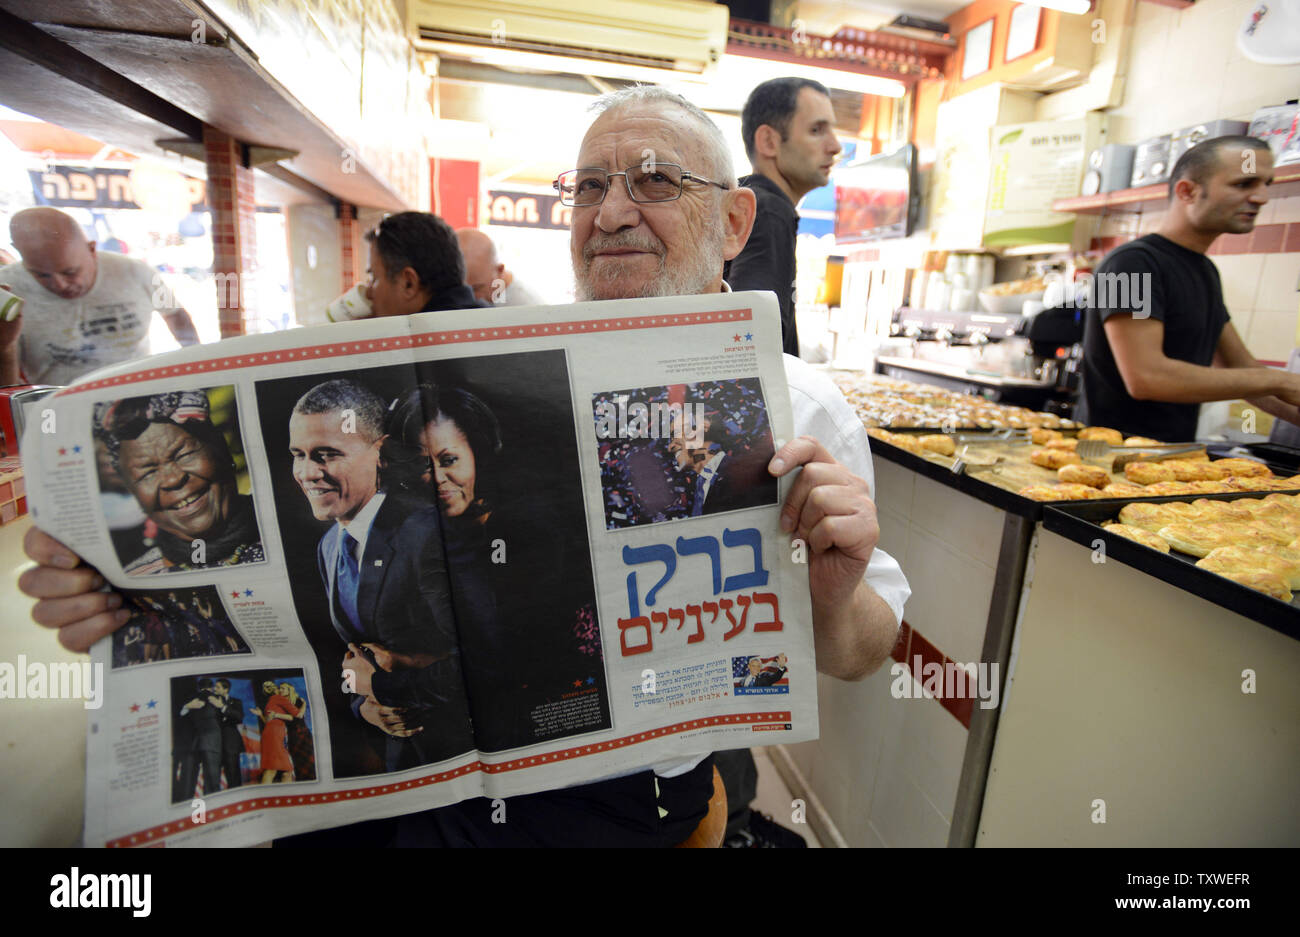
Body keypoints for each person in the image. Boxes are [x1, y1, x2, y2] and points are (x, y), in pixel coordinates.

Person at [21, 86, 910, 848]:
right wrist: (122, 598)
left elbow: (866, 651)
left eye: (654, 181)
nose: (611, 212)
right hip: (421, 786)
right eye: (590, 187)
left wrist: (833, 589)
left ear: (735, 221)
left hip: (618, 802)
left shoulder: (802, 405)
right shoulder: (490, 374)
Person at [343, 382, 606, 753]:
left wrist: (383, 686)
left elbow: (507, 660)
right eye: (421, 464)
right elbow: (370, 646)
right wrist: (369, 706)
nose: (435, 478)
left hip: (549, 734)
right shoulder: (411, 535)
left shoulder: (533, 530)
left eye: (449, 460)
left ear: (478, 453)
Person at [288, 378, 473, 771]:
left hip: (460, 751)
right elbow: (358, 659)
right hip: (401, 760)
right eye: (299, 455)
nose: (308, 472)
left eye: (326, 454)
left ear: (380, 453)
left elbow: (484, 658)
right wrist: (367, 708)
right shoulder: (329, 546)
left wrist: (387, 687)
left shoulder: (424, 531)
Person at [1077, 135, 1300, 440]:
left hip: (1170, 463)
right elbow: (1147, 377)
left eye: (1266, 185)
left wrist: (1283, 391)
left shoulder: (1205, 270)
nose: (1261, 197)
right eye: (1244, 184)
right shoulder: (1131, 265)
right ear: (1188, 191)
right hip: (1110, 464)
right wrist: (1281, 381)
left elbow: (1239, 368)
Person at [0, 207, 199, 385]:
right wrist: (5, 346)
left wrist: (195, 364)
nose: (59, 285)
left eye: (70, 272)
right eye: (41, 275)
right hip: (58, 410)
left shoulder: (137, 272)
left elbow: (175, 314)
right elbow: (6, 388)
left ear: (92, 249)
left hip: (137, 398)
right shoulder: (7, 290)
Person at [723, 78, 843, 359]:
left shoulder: (746, 201)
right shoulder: (768, 211)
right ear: (769, 141)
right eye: (816, 130)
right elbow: (750, 338)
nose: (835, 146)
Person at [96, 390, 265, 575]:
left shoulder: (291, 531)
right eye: (148, 473)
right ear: (133, 492)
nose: (173, 479)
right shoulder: (137, 582)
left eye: (184, 455)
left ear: (221, 449)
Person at [364, 212, 490, 317]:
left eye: (374, 278)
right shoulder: (494, 325)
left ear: (409, 283)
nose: (368, 292)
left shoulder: (428, 342)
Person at [454, 228, 544, 306]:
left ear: (499, 271)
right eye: (457, 288)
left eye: (476, 289)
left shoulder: (528, 309)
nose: (466, 297)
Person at [176, 678, 224, 800]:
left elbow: (180, 716)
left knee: (188, 775)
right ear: (211, 687)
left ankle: (185, 802)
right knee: (212, 775)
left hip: (192, 741)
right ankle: (213, 803)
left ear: (199, 687)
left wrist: (187, 706)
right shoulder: (218, 698)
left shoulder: (190, 698)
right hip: (211, 740)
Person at [251, 680, 295, 783]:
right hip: (275, 736)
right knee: (273, 769)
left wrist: (261, 714)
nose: (280, 690)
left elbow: (268, 721)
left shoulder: (275, 701)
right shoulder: (277, 699)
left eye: (282, 688)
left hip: (277, 735)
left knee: (285, 771)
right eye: (279, 688)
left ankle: (285, 795)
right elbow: (294, 716)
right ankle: (266, 796)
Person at [212, 677, 245, 789]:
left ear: (226, 690)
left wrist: (222, 707)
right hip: (214, 745)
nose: (214, 689)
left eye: (217, 687)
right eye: (214, 686)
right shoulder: (210, 702)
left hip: (231, 745)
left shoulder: (236, 702)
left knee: (233, 775)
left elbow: (239, 718)